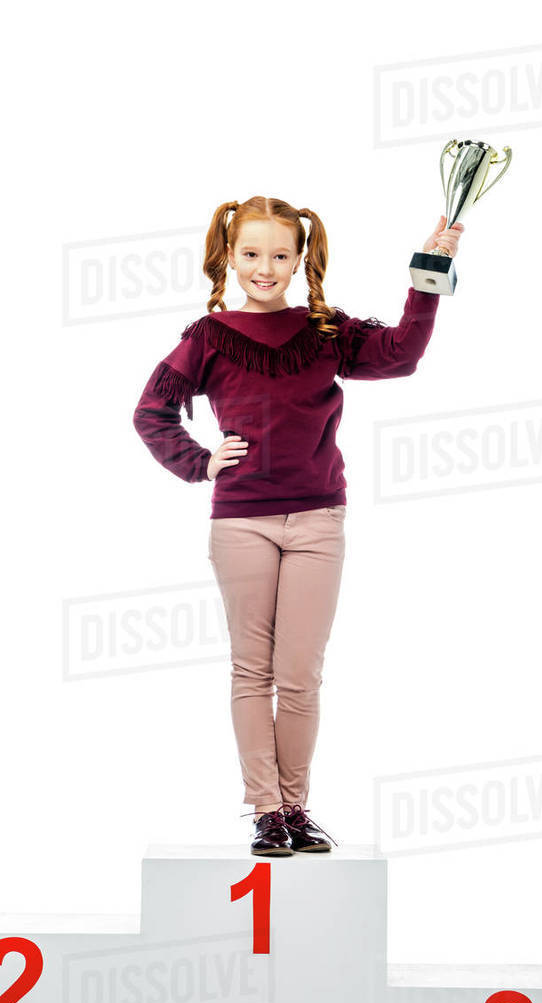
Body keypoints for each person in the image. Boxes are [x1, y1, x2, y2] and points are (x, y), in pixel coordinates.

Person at [133, 196, 463, 856]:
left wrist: (429, 272)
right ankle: (265, 811)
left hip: (317, 519)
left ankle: (294, 806)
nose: (264, 267)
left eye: (279, 255)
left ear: (299, 259)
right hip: (241, 524)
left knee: (301, 674)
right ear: (229, 257)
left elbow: (398, 356)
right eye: (250, 254)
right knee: (251, 670)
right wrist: (200, 463)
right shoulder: (209, 336)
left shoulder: (322, 329)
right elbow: (151, 413)